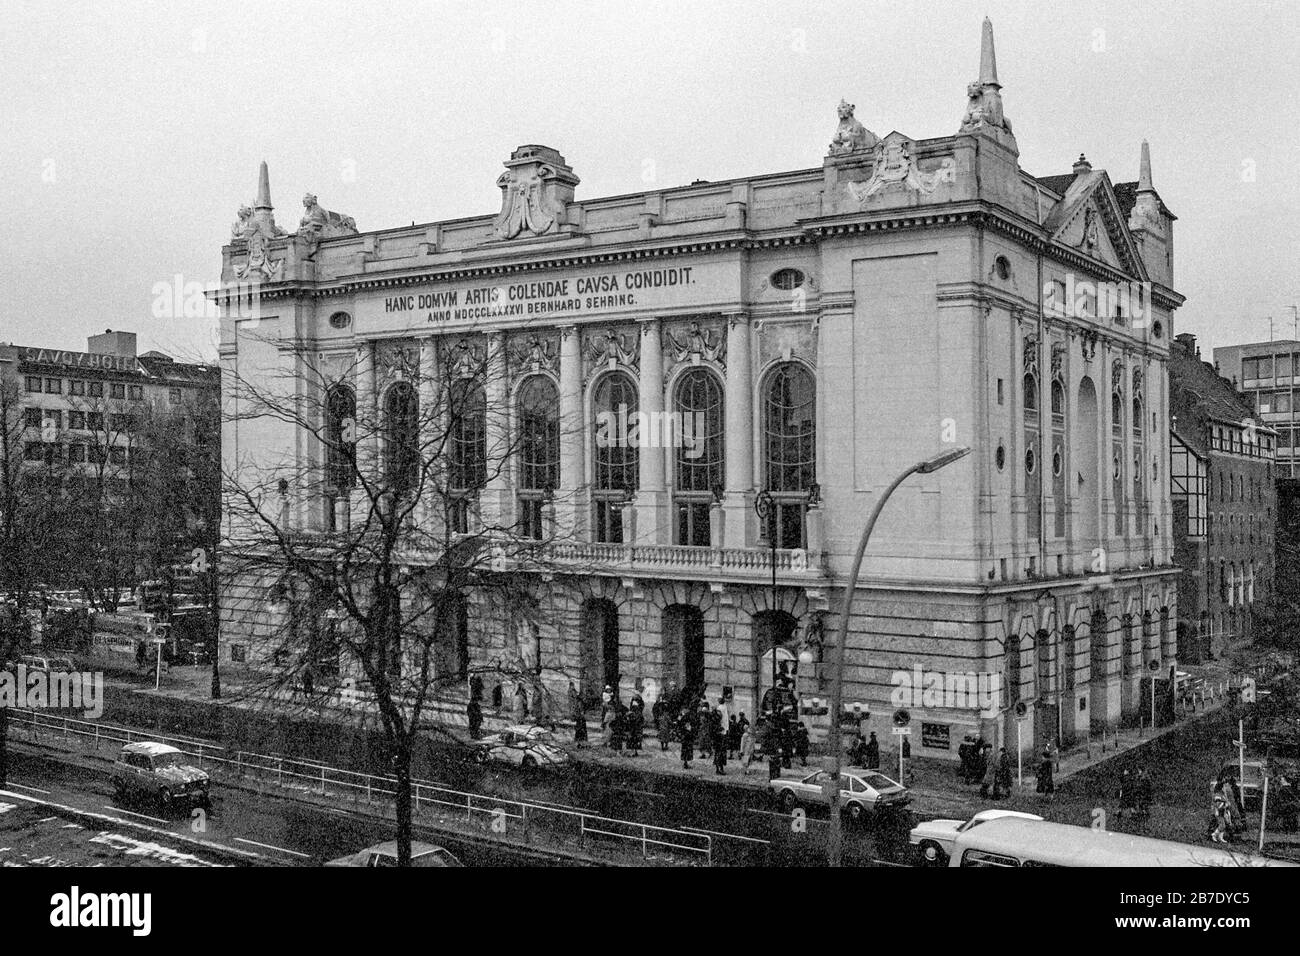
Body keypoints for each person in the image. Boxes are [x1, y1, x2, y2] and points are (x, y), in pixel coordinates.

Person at [569, 681, 588, 746]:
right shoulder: (578, 701)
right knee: (580, 727)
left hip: (579, 716)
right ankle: (580, 739)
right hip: (580, 717)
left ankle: (579, 739)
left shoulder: (578, 701)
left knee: (579, 727)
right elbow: (580, 709)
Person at [711, 710, 727, 775]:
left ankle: (718, 769)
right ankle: (720, 769)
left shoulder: (713, 724)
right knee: (719, 755)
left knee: (717, 754)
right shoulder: (716, 725)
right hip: (718, 741)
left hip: (716, 741)